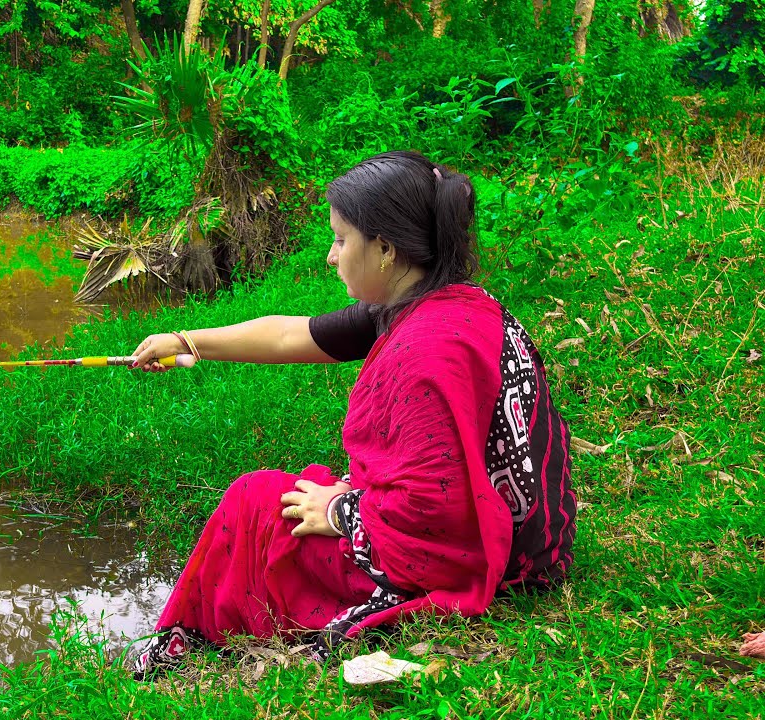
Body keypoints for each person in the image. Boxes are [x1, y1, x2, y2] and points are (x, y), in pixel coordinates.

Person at [126, 151, 576, 677]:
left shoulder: (427, 351)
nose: (330, 256)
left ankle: (187, 653)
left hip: (494, 562)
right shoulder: (439, 300)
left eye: (341, 240)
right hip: (532, 538)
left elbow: (436, 514)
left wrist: (342, 513)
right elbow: (292, 333)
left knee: (257, 503)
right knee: (285, 494)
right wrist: (182, 339)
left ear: (385, 248)